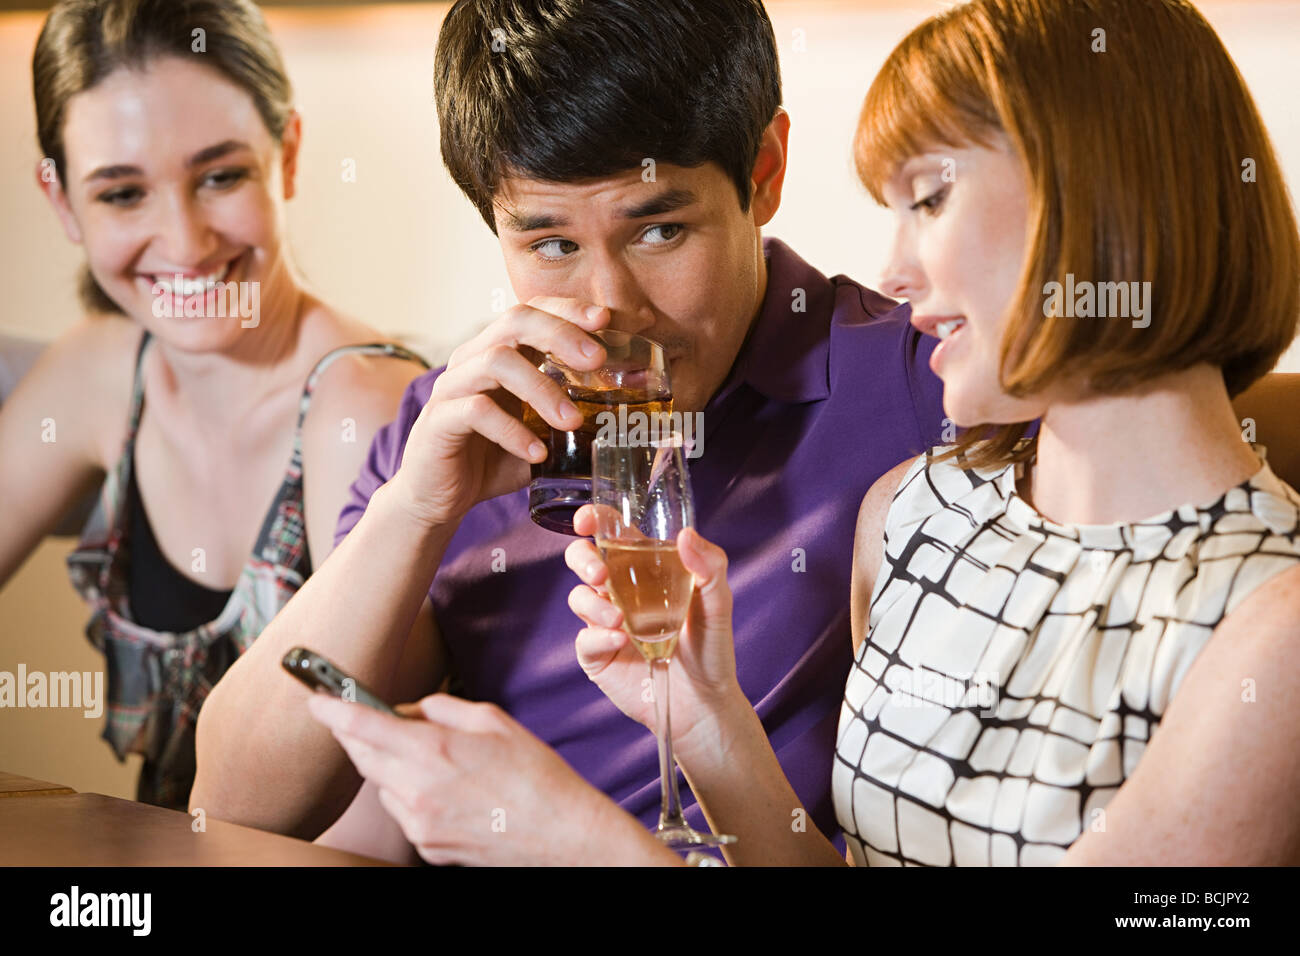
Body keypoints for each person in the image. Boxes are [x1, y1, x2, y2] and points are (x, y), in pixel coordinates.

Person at [304, 0, 1300, 866]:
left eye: (931, 201)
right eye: (550, 238)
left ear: (1097, 207)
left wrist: (588, 844)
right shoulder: (917, 510)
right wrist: (706, 721)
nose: (894, 270)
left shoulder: (1269, 634)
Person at [190, 0, 951, 861]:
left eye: (660, 229)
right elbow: (233, 804)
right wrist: (414, 511)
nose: (607, 304)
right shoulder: (460, 428)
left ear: (765, 170)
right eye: (550, 245)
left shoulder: (919, 384)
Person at [0, 0, 428, 811]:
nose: (187, 241)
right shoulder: (100, 372)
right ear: (61, 202)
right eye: (123, 194)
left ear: (289, 156)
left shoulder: (362, 408)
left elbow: (384, 815)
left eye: (221, 176)